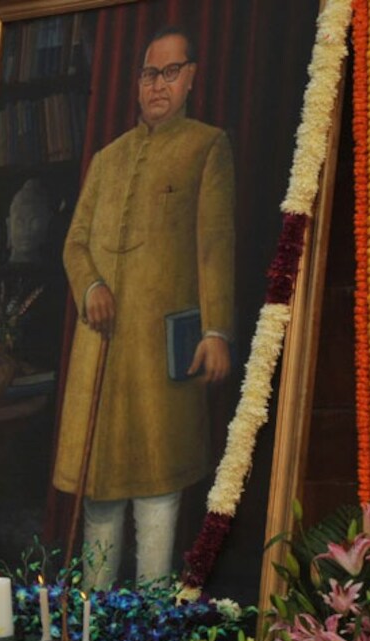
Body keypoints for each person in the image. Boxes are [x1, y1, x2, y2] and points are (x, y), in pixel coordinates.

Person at [52, 26, 235, 589]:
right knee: (101, 486)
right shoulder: (107, 160)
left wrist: (217, 331)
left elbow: (215, 245)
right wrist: (91, 287)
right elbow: (75, 242)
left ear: (191, 79)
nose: (159, 85)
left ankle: (150, 620)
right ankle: (94, 617)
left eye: (171, 72)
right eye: (149, 74)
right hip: (101, 348)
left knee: (159, 485)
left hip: (162, 349)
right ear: (137, 84)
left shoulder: (206, 146)